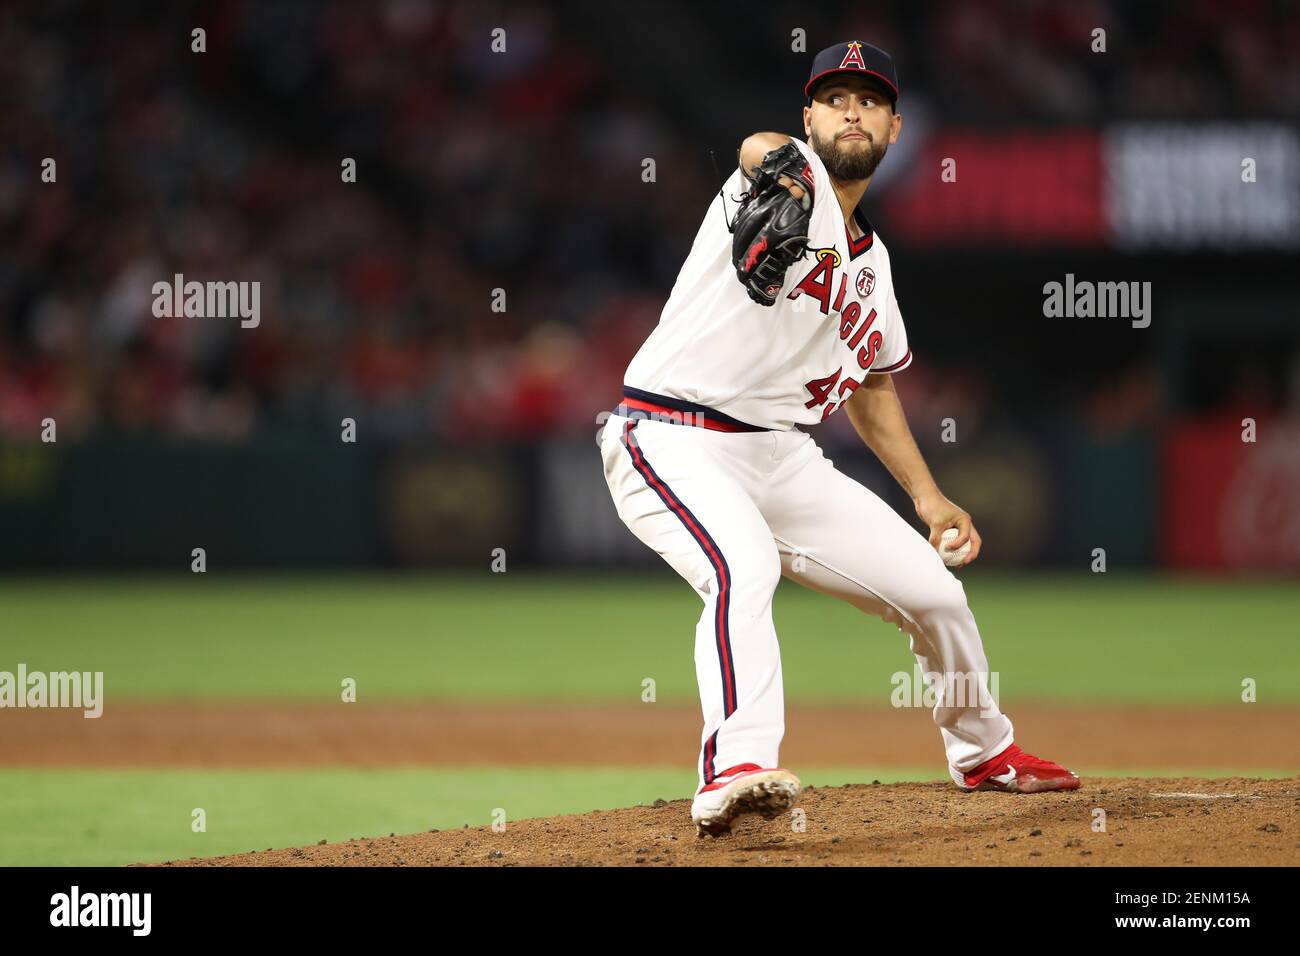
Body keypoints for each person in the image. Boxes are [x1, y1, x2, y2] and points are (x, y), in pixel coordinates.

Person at [599, 40, 1079, 837]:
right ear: (810, 118)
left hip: (780, 455)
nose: (851, 109)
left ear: (895, 129)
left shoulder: (874, 267)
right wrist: (779, 167)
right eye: (834, 97)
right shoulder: (781, 177)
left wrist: (928, 497)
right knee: (740, 566)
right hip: (669, 432)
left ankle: (985, 751)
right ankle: (735, 767)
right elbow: (759, 149)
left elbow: (875, 385)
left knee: (935, 593)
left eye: (869, 99)